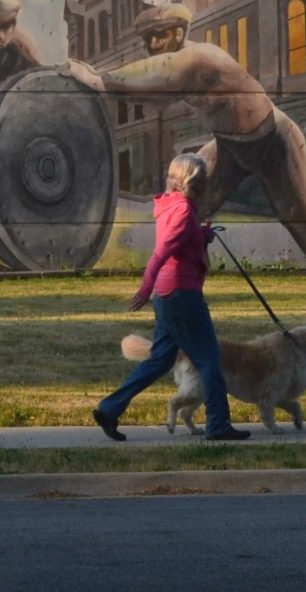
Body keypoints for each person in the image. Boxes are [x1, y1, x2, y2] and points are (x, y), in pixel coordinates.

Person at [63, 3, 306, 270]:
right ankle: (189, 271)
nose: (152, 44)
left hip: (274, 141)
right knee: (185, 205)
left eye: (160, 35)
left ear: (179, 33)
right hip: (229, 146)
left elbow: (159, 74)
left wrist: (97, 79)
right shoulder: (178, 62)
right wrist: (100, 77)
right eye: (148, 38)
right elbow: (155, 94)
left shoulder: (199, 57)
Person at [94, 155, 247, 442]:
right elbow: (161, 252)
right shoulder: (183, 212)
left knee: (159, 361)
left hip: (169, 296)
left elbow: (180, 246)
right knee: (210, 359)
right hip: (181, 296)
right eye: (201, 178)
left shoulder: (171, 206)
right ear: (191, 182)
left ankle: (109, 408)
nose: (204, 183)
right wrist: (144, 288)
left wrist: (202, 237)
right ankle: (218, 425)